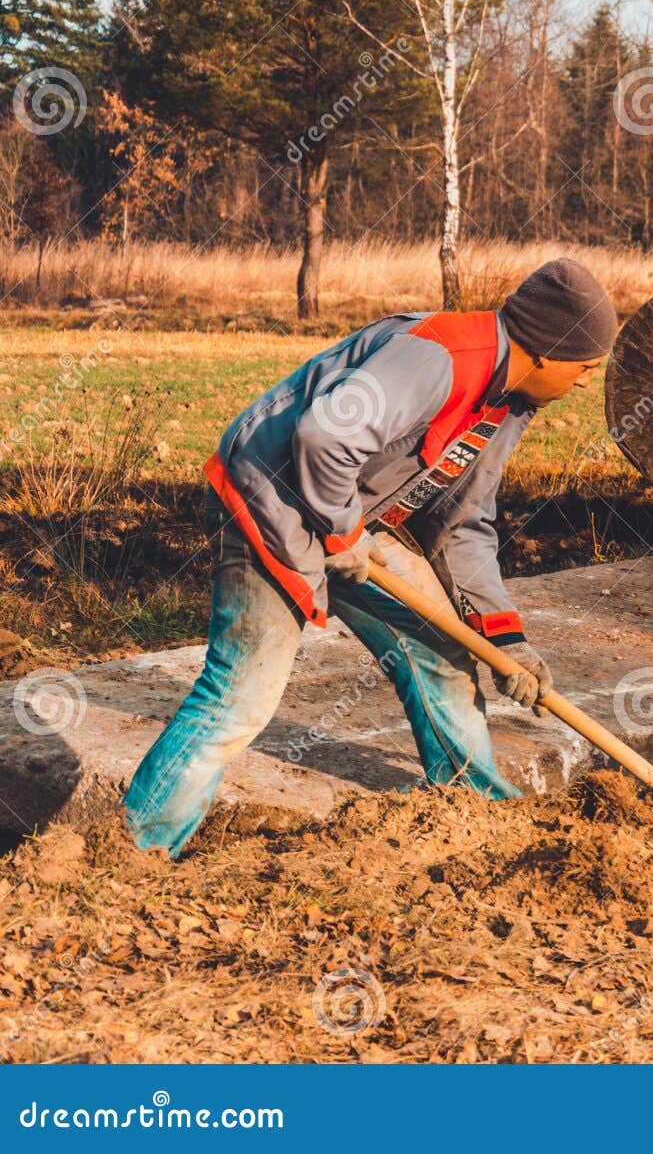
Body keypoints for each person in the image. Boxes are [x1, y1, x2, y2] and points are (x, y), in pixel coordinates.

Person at [124, 259, 618, 858]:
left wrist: (504, 634)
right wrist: (342, 532)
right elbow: (323, 437)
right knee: (241, 692)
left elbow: (462, 522)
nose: (588, 381)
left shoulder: (510, 403)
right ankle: (138, 852)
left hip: (348, 520)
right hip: (270, 504)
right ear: (547, 350)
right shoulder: (438, 357)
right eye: (587, 365)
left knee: (440, 651)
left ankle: (480, 814)